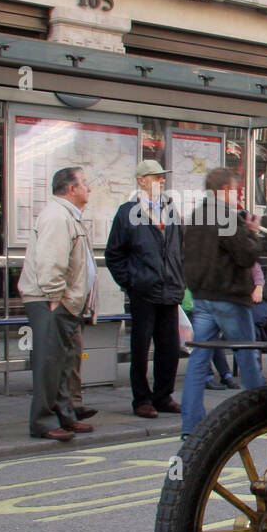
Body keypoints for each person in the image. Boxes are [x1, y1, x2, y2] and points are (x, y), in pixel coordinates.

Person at [180, 168, 265, 437]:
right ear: (225, 190)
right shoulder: (224, 216)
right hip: (228, 297)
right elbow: (246, 256)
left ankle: (190, 424)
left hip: (202, 297)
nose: (237, 195)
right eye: (235, 190)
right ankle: (260, 415)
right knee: (247, 356)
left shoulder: (197, 215)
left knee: (198, 360)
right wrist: (252, 232)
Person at [17, 166, 98, 441]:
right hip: (52, 301)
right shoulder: (57, 216)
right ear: (71, 189)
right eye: (84, 183)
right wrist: (55, 298)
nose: (89, 188)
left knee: (63, 361)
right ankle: (42, 421)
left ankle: (65, 414)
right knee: (48, 363)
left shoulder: (69, 216)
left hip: (65, 303)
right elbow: (50, 262)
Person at [105, 159, 184, 419]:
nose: (161, 180)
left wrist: (178, 276)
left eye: (163, 177)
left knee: (169, 348)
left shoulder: (170, 209)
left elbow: (179, 248)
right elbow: (114, 254)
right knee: (140, 348)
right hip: (144, 290)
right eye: (155, 176)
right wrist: (131, 281)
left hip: (169, 289)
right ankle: (141, 399)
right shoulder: (127, 212)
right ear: (141, 180)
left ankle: (163, 396)